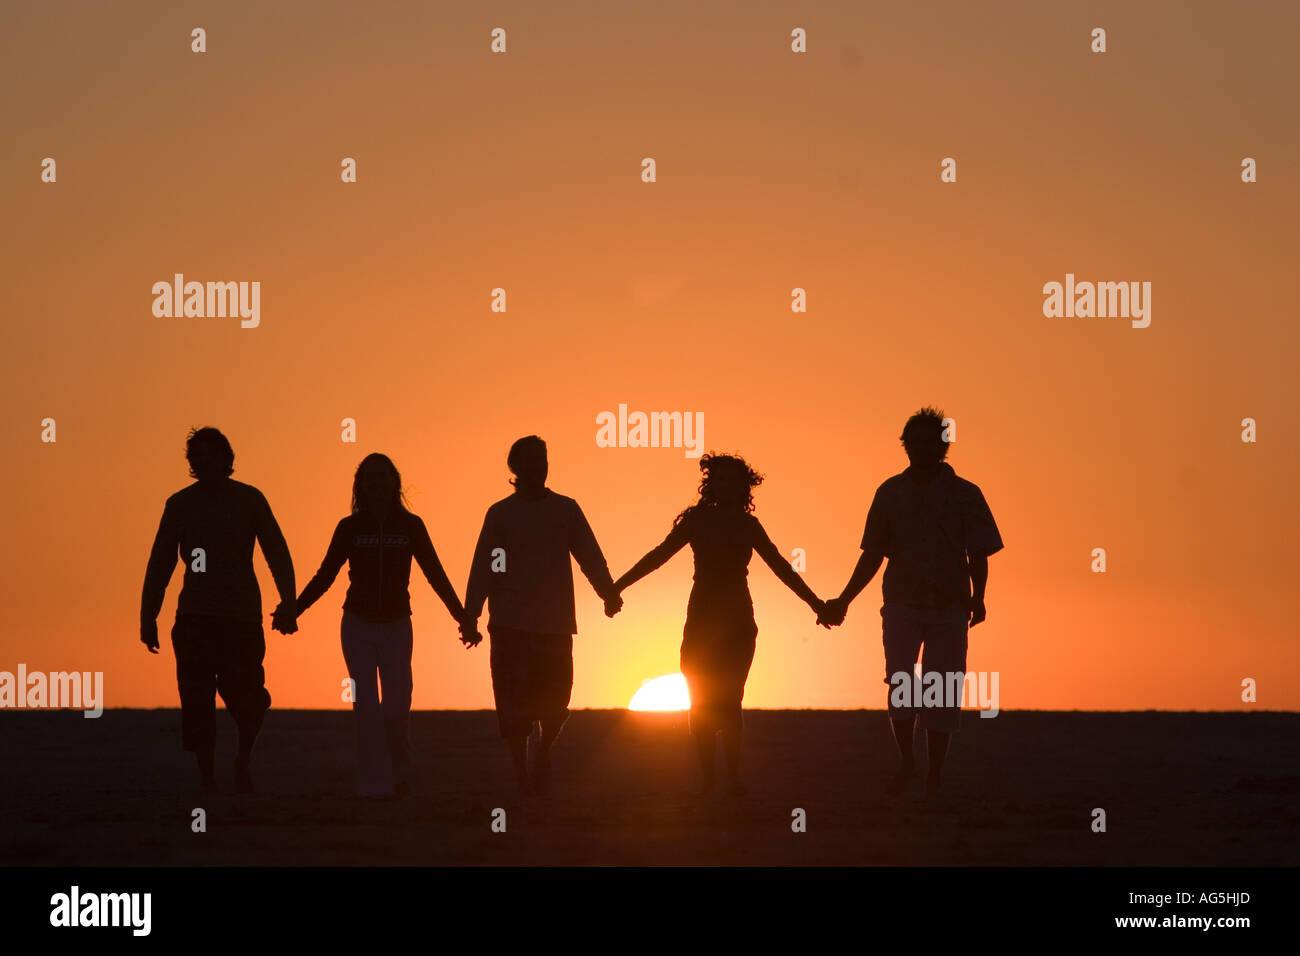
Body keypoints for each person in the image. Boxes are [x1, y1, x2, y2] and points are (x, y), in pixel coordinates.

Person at [612, 453, 827, 796]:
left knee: (730, 700)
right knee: (699, 700)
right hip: (700, 621)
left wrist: (817, 604)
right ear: (711, 484)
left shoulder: (748, 526)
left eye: (734, 480)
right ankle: (709, 779)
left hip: (738, 621)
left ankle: (732, 777)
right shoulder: (697, 520)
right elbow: (659, 555)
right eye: (721, 479)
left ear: (745, 487)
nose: (727, 486)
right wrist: (617, 586)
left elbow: (782, 567)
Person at [820, 407, 1003, 799]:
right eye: (913, 442)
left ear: (944, 446)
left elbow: (978, 553)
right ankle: (907, 761)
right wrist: (844, 599)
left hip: (951, 604)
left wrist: (979, 597)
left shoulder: (966, 494)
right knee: (902, 682)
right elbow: (873, 554)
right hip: (902, 602)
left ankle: (935, 772)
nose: (921, 449)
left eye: (929, 442)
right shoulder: (890, 492)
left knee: (942, 688)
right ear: (905, 446)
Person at [282, 453, 471, 798]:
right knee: (366, 704)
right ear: (361, 486)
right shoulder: (349, 528)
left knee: (398, 704)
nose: (379, 484)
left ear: (395, 483)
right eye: (371, 478)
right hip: (357, 625)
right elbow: (325, 575)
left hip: (398, 625)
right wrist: (294, 609)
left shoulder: (411, 526)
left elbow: (436, 574)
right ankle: (372, 782)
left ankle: (400, 773)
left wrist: (463, 618)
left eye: (385, 477)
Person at [140, 426, 297, 793]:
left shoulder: (250, 500)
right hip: (194, 619)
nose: (203, 462)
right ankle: (207, 779)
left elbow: (277, 551)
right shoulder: (179, 504)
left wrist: (289, 603)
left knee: (250, 700)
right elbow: (160, 562)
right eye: (196, 456)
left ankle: (243, 758)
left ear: (227, 459)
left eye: (211, 454)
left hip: (241, 619)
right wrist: (148, 615)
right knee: (197, 704)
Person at [462, 435, 621, 796]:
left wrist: (608, 592)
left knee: (555, 703)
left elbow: (590, 556)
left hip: (555, 624)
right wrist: (470, 615)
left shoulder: (566, 510)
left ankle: (543, 753)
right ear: (516, 468)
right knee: (514, 707)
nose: (540, 467)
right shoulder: (500, 514)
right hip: (509, 625)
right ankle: (521, 773)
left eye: (544, 459)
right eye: (532, 460)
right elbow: (486, 566)